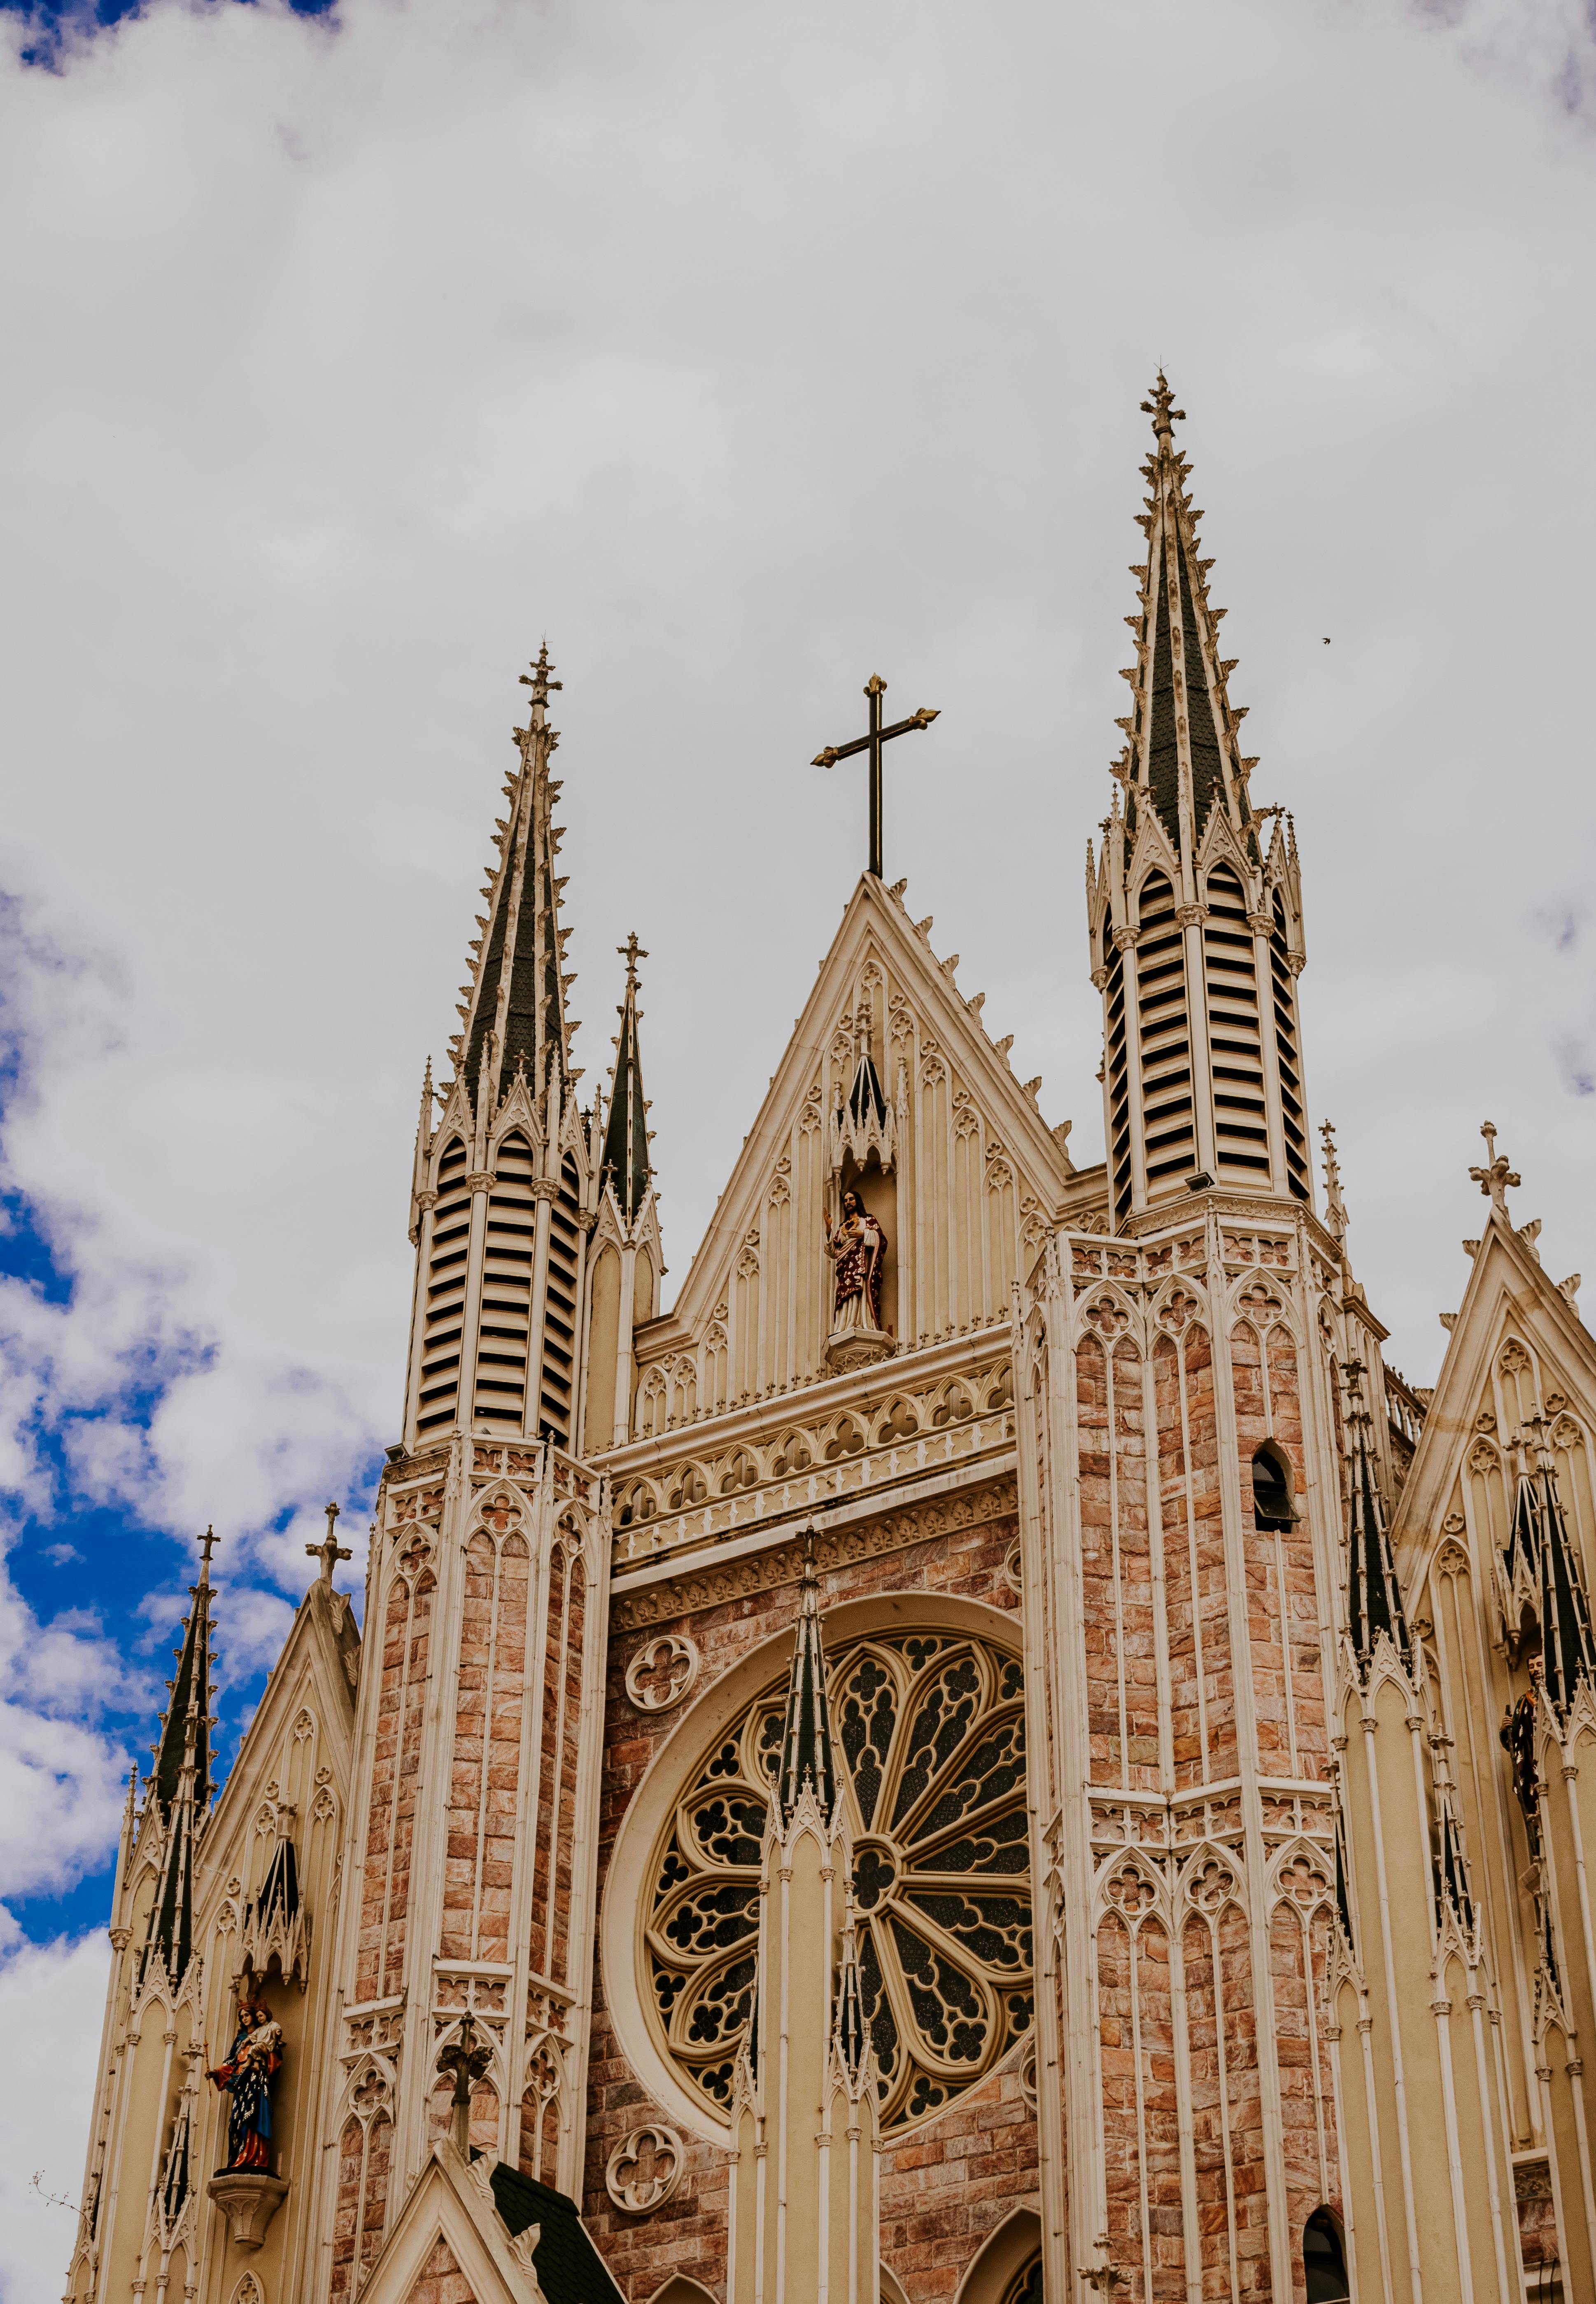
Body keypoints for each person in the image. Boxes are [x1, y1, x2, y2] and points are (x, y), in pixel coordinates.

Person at [207, 1995, 284, 2173]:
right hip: (242, 2084)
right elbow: (231, 2062)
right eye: (242, 2017)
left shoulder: (266, 2035)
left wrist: (266, 2059)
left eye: (247, 2015)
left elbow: (275, 2056)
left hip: (257, 2080)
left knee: (256, 2116)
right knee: (237, 2121)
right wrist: (217, 2072)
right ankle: (239, 2158)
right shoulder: (242, 2040)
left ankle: (256, 2158)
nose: (245, 2018)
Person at [823, 1188, 887, 1335]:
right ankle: (845, 1326)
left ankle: (862, 1323)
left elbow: (881, 1240)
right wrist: (828, 1230)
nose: (848, 1203)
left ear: (857, 1201)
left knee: (860, 1291)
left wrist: (863, 1234)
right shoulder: (842, 1227)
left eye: (851, 1199)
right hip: (845, 1268)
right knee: (845, 1294)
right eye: (846, 1201)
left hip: (861, 1264)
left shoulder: (868, 1220)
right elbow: (833, 1252)